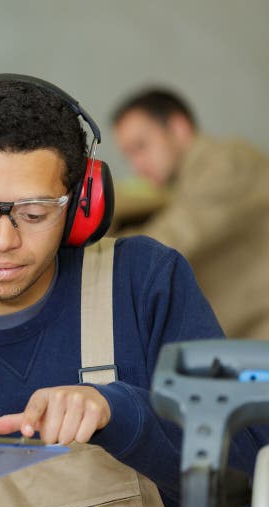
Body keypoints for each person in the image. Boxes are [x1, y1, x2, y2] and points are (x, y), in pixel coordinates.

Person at [0, 75, 268, 507]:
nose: (2, 240)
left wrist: (122, 411)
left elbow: (247, 467)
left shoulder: (144, 283)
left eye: (35, 214)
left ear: (80, 207)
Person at [112, 88, 269, 340]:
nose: (137, 166)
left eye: (140, 146)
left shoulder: (227, 165)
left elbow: (161, 245)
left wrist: (91, 251)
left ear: (178, 127)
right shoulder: (187, 179)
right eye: (129, 155)